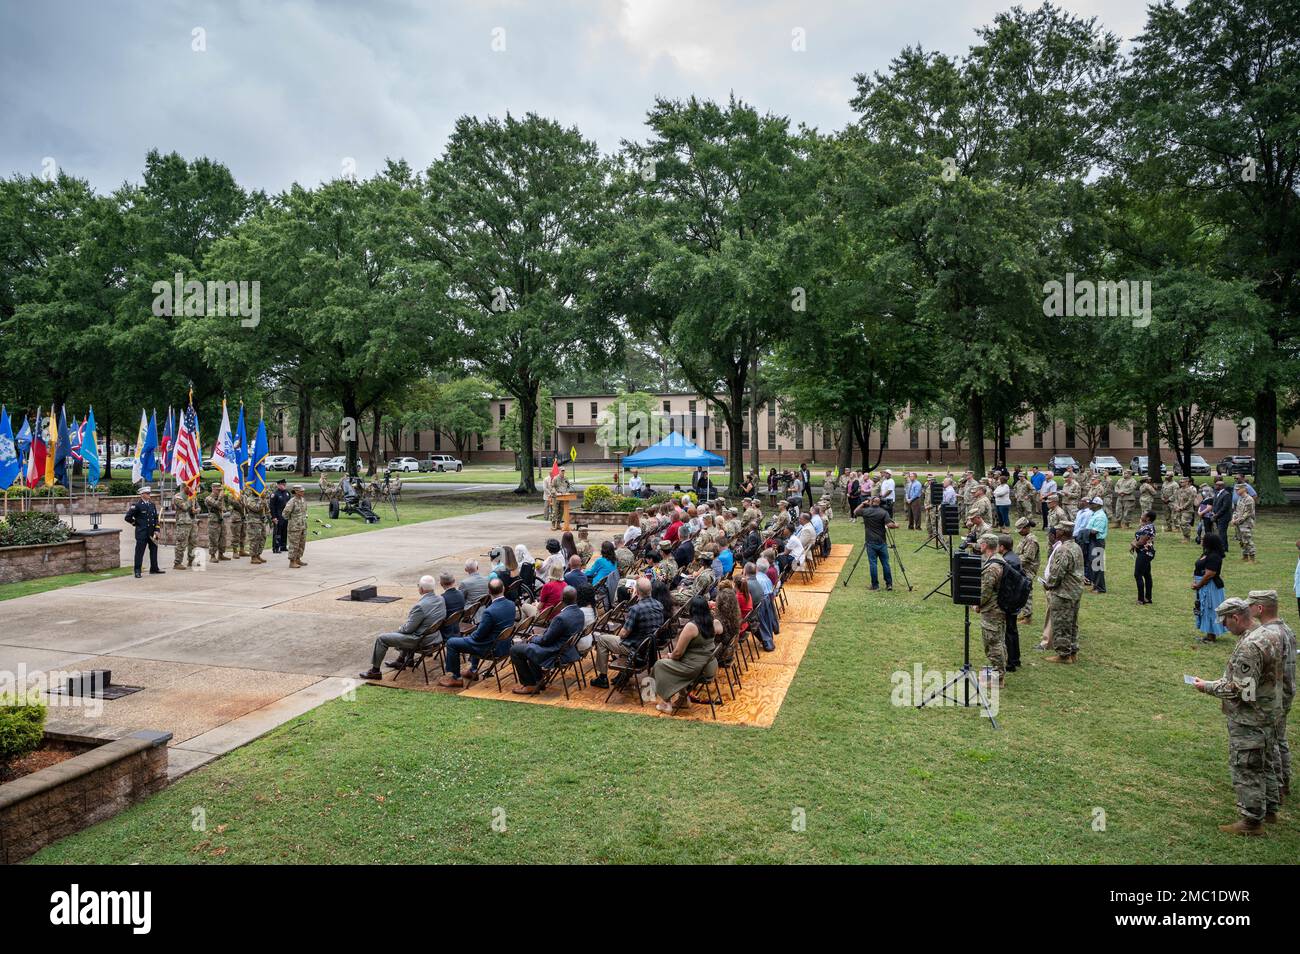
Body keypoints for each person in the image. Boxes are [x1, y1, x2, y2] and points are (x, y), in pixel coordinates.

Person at [1191, 597, 1283, 835]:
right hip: (1268, 712)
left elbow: (1240, 690)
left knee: (1248, 765)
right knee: (1266, 762)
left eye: (1224, 621)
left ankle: (1252, 822)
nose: (1223, 626)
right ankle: (1270, 810)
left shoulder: (1249, 646)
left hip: (1250, 718)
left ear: (1236, 617)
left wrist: (1208, 686)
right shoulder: (1267, 634)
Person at [1248, 590, 1295, 799]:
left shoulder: (1269, 634)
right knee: (1280, 738)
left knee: (1272, 742)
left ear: (1259, 608)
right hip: (1286, 691)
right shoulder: (1287, 629)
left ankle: (1276, 788)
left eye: (1251, 605)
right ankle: (1283, 783)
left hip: (1275, 695)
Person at [358, 576, 446, 680]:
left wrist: (400, 629)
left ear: (421, 589)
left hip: (420, 641)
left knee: (382, 639)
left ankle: (375, 671)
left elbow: (408, 629)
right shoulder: (441, 599)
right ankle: (402, 660)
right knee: (403, 633)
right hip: (434, 637)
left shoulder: (420, 606)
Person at [438, 577, 515, 687]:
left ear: (489, 592)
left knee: (451, 642)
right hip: (505, 645)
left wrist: (469, 637)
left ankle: (456, 678)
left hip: (490, 648)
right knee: (477, 634)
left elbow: (478, 637)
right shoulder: (511, 604)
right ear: (503, 589)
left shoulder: (489, 612)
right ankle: (473, 670)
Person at [591, 577, 663, 690]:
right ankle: (623, 675)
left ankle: (602, 677)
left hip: (635, 648)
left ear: (637, 591)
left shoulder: (636, 609)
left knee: (602, 639)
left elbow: (623, 634)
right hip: (648, 647)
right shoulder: (659, 605)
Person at [510, 585, 585, 694]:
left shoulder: (561, 618)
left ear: (562, 599)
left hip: (555, 652)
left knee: (515, 650)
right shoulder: (580, 613)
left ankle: (530, 684)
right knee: (529, 648)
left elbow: (545, 641)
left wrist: (534, 638)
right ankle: (538, 680)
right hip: (566, 649)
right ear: (576, 598)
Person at [653, 595, 720, 714]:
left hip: (696, 667)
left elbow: (678, 653)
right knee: (675, 662)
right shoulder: (714, 622)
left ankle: (666, 702)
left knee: (660, 665)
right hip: (709, 665)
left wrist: (670, 656)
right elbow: (721, 630)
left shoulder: (691, 627)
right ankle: (683, 700)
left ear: (691, 609)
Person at [1042, 519, 1085, 661]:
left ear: (1063, 532)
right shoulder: (1076, 547)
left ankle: (1063, 655)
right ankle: (1072, 652)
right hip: (1074, 591)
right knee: (1072, 623)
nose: (1056, 531)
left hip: (1063, 592)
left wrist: (1049, 584)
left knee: (1061, 623)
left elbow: (1058, 572)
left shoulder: (1063, 549)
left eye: (1058, 530)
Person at [976, 533, 1007, 685]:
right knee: (999, 641)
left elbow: (985, 592)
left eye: (981, 543)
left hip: (992, 610)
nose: (979, 545)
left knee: (993, 643)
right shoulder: (998, 559)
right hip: (998, 608)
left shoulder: (991, 567)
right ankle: (998, 671)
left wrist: (977, 604)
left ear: (985, 545)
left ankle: (998, 678)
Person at [853, 495, 897, 592]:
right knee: (885, 563)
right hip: (882, 541)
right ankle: (889, 584)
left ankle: (875, 585)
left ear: (871, 502)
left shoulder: (866, 511)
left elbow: (855, 512)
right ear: (880, 503)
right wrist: (896, 526)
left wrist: (862, 504)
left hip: (870, 541)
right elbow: (889, 525)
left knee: (873, 564)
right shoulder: (883, 512)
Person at [1192, 533, 1227, 643]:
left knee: (1210, 609)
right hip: (1204, 585)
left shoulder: (1214, 556)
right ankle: (1208, 635)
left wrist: (1199, 585)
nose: (1200, 540)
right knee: (1204, 609)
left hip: (1210, 586)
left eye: (1203, 539)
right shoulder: (1207, 553)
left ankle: (1211, 637)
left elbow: (1210, 574)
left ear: (1209, 542)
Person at [996, 534, 1023, 672]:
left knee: (1009, 632)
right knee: (1012, 630)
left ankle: (1011, 662)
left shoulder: (1008, 561)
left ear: (1002, 547)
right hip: (1015, 600)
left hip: (1011, 601)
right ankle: (1015, 658)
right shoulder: (1013, 557)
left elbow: (1007, 585)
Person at [124, 486, 164, 578]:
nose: (149, 495)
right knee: (139, 552)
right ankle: (137, 571)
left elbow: (155, 519)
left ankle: (154, 568)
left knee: (154, 551)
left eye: (149, 493)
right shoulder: (137, 505)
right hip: (142, 533)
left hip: (152, 533)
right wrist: (136, 524)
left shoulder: (152, 505)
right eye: (147, 493)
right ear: (142, 495)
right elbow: (127, 517)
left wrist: (157, 530)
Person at [1014, 517, 1040, 625]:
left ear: (1026, 528)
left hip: (1028, 570)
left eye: (1021, 529)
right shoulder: (1025, 537)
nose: (1020, 532)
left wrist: (1013, 560)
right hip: (1022, 568)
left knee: (1027, 592)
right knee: (1021, 592)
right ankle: (1024, 614)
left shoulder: (1031, 540)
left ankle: (1027, 617)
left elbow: (1028, 557)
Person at [1130, 510, 1157, 605]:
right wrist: (1134, 543)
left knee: (1138, 574)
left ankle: (1141, 599)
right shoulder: (1145, 526)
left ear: (1148, 518)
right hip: (1144, 552)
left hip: (1145, 553)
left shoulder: (1149, 528)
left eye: (1143, 514)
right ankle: (1148, 598)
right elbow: (1138, 538)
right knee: (1146, 574)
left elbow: (1141, 542)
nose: (1141, 515)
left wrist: (1133, 544)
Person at [1086, 495, 1109, 593]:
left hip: (1097, 541)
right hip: (1092, 541)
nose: (1090, 505)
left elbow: (1095, 531)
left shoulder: (1100, 516)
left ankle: (1100, 588)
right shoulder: (1095, 514)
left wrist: (1084, 532)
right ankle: (1095, 585)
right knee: (1093, 563)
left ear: (1097, 505)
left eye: (1092, 503)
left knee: (1097, 564)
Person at [241, 484, 269, 565]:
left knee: (262, 538)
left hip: (261, 521)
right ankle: (253, 557)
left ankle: (258, 554)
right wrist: (263, 500)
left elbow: (267, 509)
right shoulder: (250, 499)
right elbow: (256, 508)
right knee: (254, 539)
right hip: (253, 522)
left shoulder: (260, 498)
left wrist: (264, 500)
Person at [172, 487, 199, 569]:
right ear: (185, 487)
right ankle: (177, 563)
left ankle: (191, 561)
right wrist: (191, 498)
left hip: (192, 522)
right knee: (181, 543)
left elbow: (198, 507)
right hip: (183, 523)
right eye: (192, 487)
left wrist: (196, 510)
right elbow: (185, 507)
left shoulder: (192, 496)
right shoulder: (178, 497)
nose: (194, 489)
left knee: (193, 543)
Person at [1230, 483, 1257, 562]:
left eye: (1238, 489)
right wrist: (1233, 518)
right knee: (1241, 540)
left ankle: (1252, 558)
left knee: (1247, 540)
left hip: (1246, 523)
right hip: (1238, 523)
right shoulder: (1240, 498)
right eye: (1236, 489)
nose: (1236, 491)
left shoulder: (1249, 499)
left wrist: (1237, 520)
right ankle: (1245, 556)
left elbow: (1247, 513)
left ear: (1244, 489)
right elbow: (1236, 510)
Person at [203, 481, 229, 561]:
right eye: (218, 490)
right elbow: (217, 505)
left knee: (223, 538)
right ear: (213, 489)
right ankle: (212, 556)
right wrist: (220, 498)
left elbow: (223, 508)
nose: (220, 491)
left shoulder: (220, 498)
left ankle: (221, 554)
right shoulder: (208, 498)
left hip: (221, 520)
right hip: (213, 521)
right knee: (213, 538)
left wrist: (225, 507)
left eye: (220, 490)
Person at [284, 484, 309, 567]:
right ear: (296, 492)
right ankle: (292, 561)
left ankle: (298, 559)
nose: (303, 492)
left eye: (303, 490)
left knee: (301, 544)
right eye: (301, 491)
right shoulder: (292, 501)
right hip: (294, 527)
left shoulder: (303, 500)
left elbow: (304, 512)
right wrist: (293, 520)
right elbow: (285, 514)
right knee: (294, 544)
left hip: (303, 526)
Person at [1212, 479, 1233, 553]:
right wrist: (1214, 513)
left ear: (1221, 486)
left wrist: (1217, 514)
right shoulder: (1217, 493)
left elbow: (1225, 507)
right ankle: (1222, 546)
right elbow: (1215, 504)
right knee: (1219, 532)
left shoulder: (1226, 494)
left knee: (1222, 533)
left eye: (1216, 485)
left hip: (1223, 517)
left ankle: (1223, 547)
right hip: (1217, 516)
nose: (1215, 486)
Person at [269, 478, 290, 553]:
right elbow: (272, 507)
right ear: (278, 485)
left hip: (285, 516)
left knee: (284, 531)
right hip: (278, 516)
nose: (284, 486)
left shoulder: (287, 493)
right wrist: (273, 517)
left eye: (285, 484)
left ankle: (283, 546)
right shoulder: (275, 494)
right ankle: (276, 547)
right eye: (282, 484)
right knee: (277, 532)